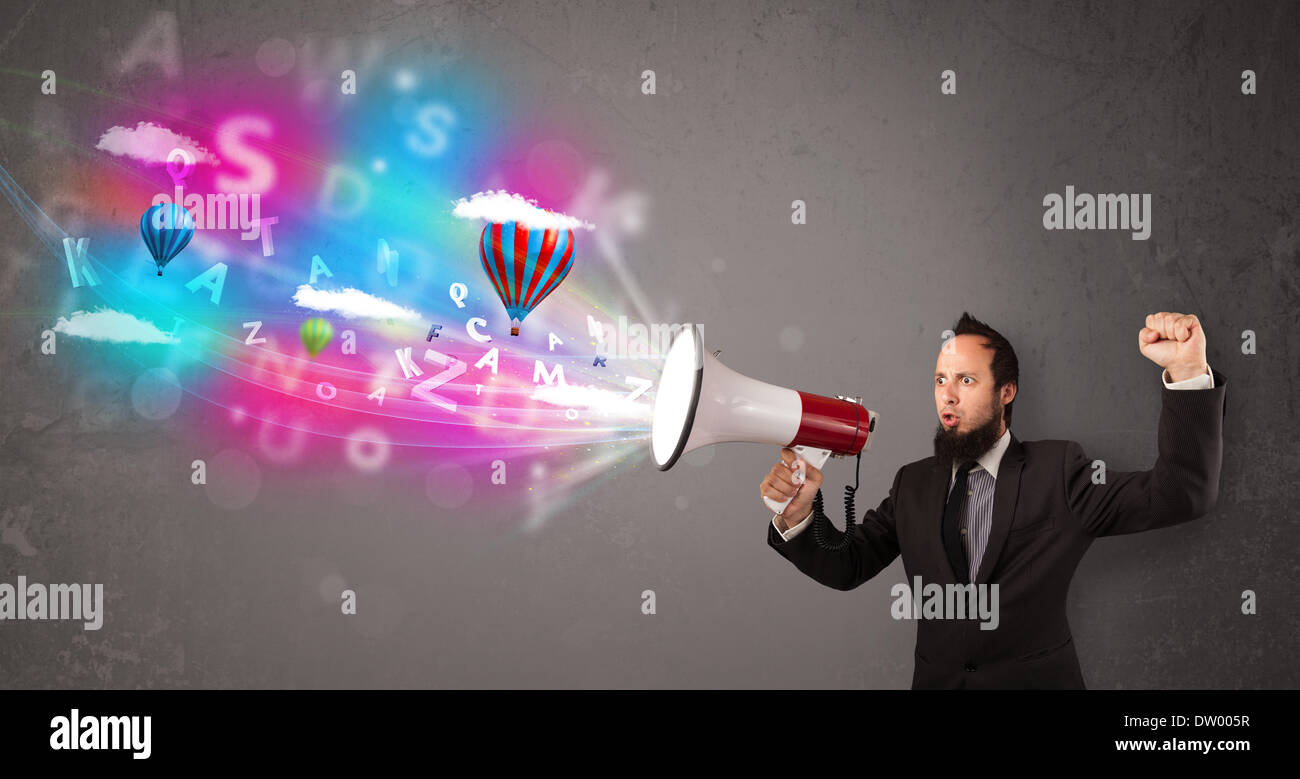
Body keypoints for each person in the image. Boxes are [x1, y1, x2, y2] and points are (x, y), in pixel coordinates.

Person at [762, 311, 1226, 688]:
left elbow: (1178, 494)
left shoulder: (1059, 472)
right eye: (940, 380)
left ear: (1006, 392)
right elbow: (847, 566)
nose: (947, 395)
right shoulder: (912, 484)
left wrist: (1186, 374)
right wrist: (798, 516)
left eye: (965, 380)